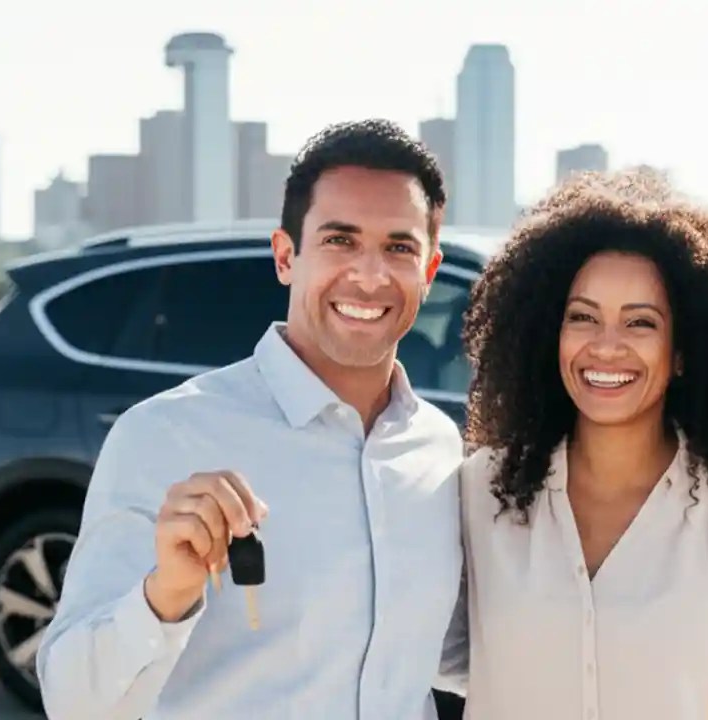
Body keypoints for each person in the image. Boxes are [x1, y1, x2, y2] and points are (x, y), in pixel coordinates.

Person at [37, 119, 466, 719]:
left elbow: (456, 652)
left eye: (398, 247)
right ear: (286, 256)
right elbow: (73, 704)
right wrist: (167, 594)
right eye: (340, 241)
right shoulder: (163, 437)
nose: (369, 276)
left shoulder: (440, 452)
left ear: (429, 269)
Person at [439, 169, 708, 718]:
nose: (605, 346)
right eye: (582, 317)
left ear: (683, 351)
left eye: (640, 323)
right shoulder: (479, 491)